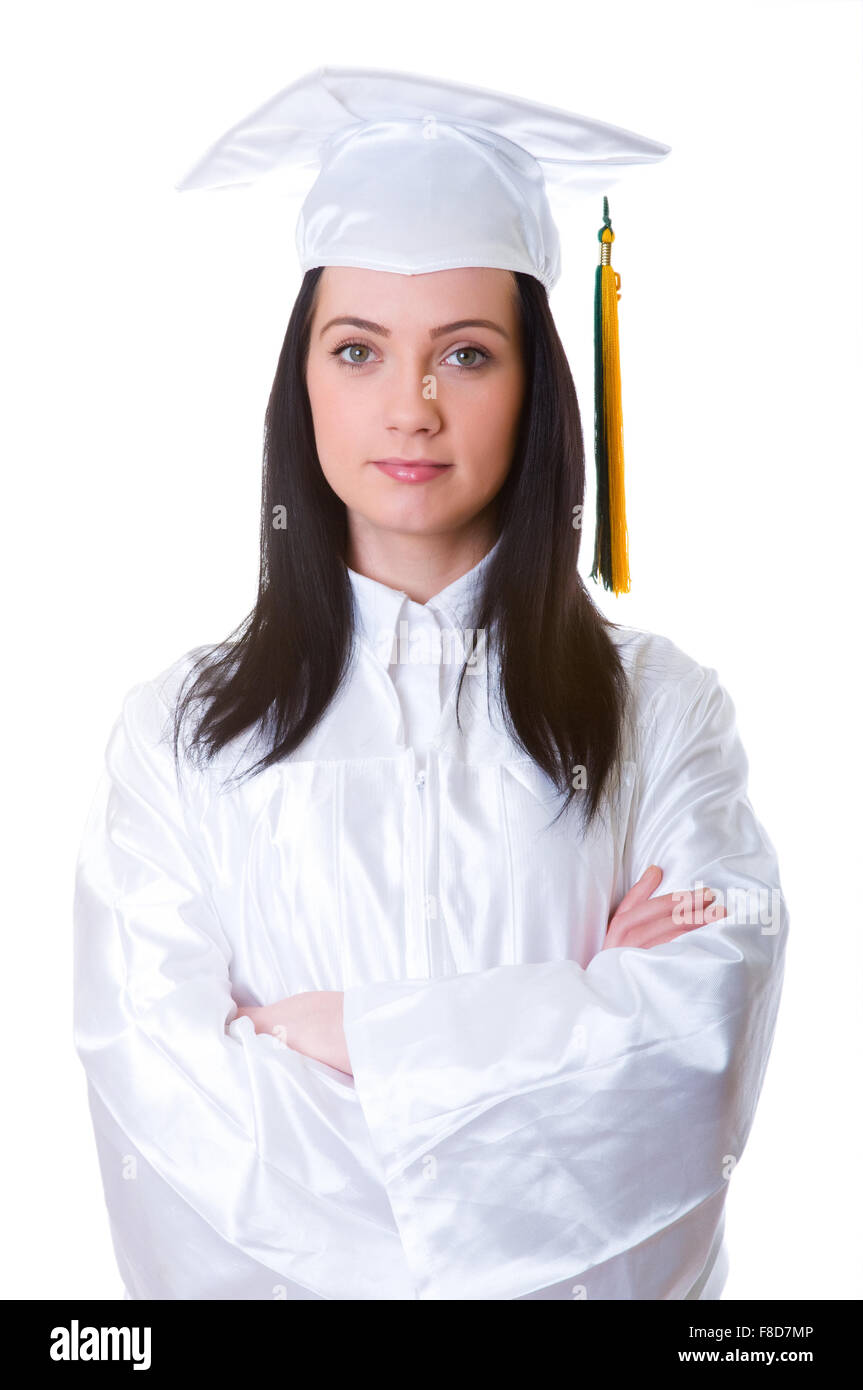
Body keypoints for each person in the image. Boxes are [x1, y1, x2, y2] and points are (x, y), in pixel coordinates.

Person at [72, 67, 787, 1301]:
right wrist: (566, 1011)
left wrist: (355, 1037)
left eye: (465, 353)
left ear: (536, 390)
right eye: (358, 350)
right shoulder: (181, 740)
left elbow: (688, 1058)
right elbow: (177, 1131)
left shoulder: (659, 712)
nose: (409, 408)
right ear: (302, 382)